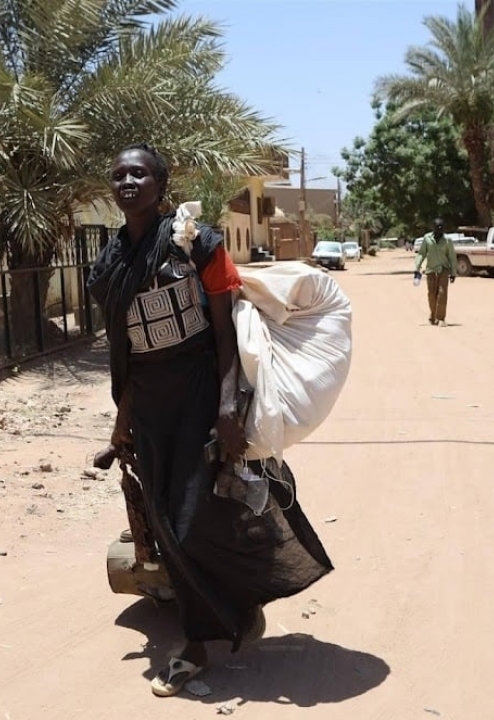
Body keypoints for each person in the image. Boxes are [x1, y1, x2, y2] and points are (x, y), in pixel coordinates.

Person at [88, 144, 333, 697]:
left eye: (139, 173)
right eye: (119, 174)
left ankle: (197, 645)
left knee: (197, 516)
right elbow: (126, 357)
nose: (128, 181)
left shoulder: (195, 242)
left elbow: (223, 336)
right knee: (167, 520)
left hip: (201, 399)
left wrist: (226, 409)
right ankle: (224, 614)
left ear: (160, 184)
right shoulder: (110, 265)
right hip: (151, 411)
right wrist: (120, 428)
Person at [413, 218, 457, 326]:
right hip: (431, 271)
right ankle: (433, 315)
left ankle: (441, 318)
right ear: (433, 228)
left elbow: (452, 257)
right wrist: (417, 267)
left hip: (443, 270)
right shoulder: (427, 238)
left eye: (442, 227)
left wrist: (453, 273)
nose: (440, 229)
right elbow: (422, 253)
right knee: (431, 295)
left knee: (442, 294)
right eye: (437, 227)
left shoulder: (447, 240)